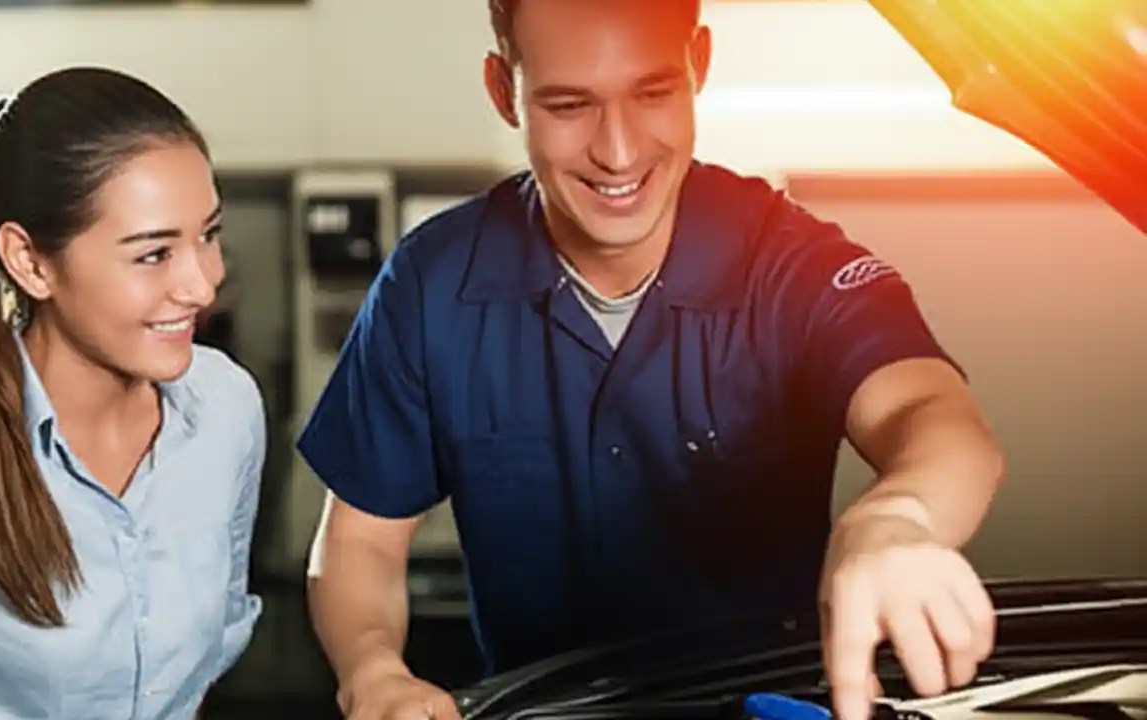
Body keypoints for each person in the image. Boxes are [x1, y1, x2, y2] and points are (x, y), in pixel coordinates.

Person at [300, 1, 1008, 719]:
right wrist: (372, 669)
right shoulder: (430, 284)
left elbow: (930, 410)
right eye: (569, 105)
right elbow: (361, 539)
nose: (618, 151)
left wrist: (897, 518)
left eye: (652, 93)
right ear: (502, 90)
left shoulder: (791, 262)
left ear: (698, 64)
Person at [0, 66, 266, 719]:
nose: (202, 285)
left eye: (208, 235)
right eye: (153, 254)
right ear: (30, 262)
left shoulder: (225, 407)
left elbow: (208, 645)